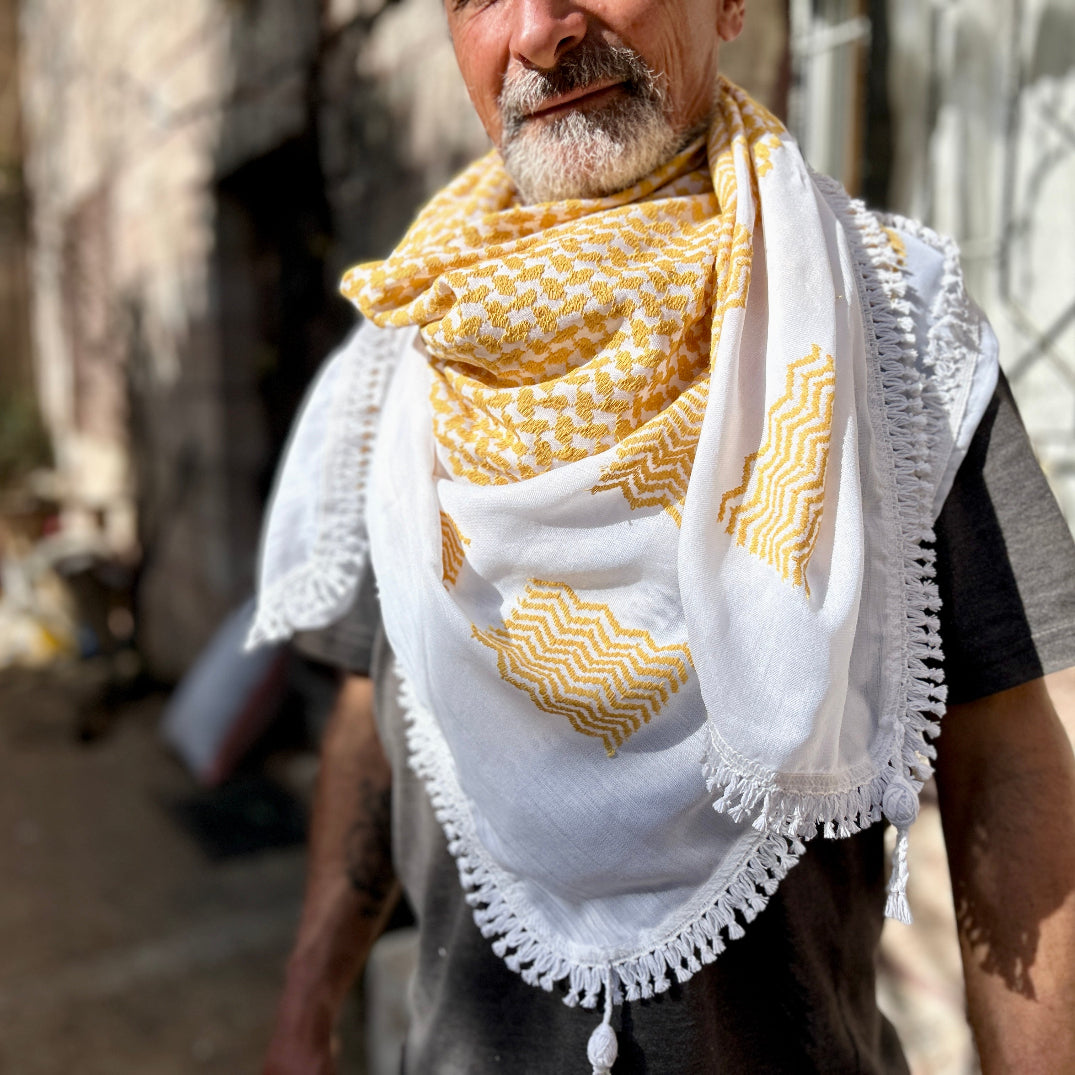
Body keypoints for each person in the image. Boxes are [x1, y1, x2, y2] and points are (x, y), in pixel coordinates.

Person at [250, 1, 1075, 1071]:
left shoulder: (886, 328)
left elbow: (1004, 744)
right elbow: (377, 696)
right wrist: (306, 1003)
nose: (540, 32)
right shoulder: (403, 363)